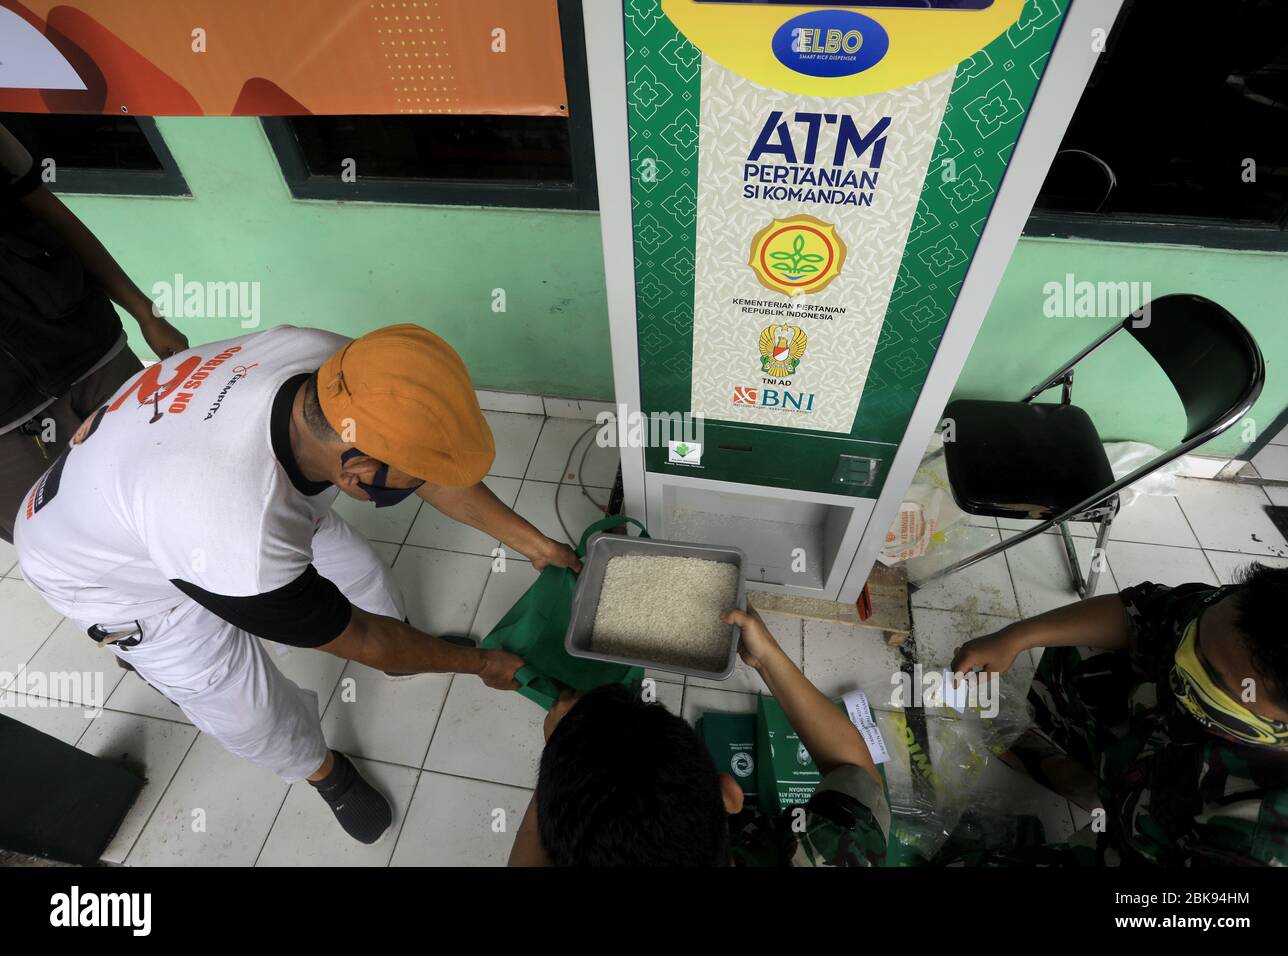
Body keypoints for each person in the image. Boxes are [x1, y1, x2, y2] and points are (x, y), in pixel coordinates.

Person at [15, 323, 579, 844]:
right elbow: (355, 634)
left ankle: (408, 657)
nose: (424, 481)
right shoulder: (243, 533)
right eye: (414, 475)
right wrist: (483, 665)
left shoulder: (341, 370)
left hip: (158, 486)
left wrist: (536, 546)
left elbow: (425, 468)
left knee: (359, 570)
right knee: (244, 707)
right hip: (113, 578)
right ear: (355, 470)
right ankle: (323, 774)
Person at [948, 563, 1288, 866]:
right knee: (1088, 652)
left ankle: (1120, 824)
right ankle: (1079, 776)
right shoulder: (1247, 621)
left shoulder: (1264, 840)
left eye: (1208, 675)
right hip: (1155, 753)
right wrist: (1015, 638)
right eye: (1193, 637)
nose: (1182, 658)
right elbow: (1144, 615)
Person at [508, 606, 889, 866]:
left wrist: (568, 755)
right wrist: (766, 658)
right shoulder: (832, 854)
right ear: (730, 795)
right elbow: (854, 769)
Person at [0, 121, 187, 542]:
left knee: (173, 484)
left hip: (91, 352)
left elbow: (49, 211)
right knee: (66, 542)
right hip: (6, 430)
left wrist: (146, 313)